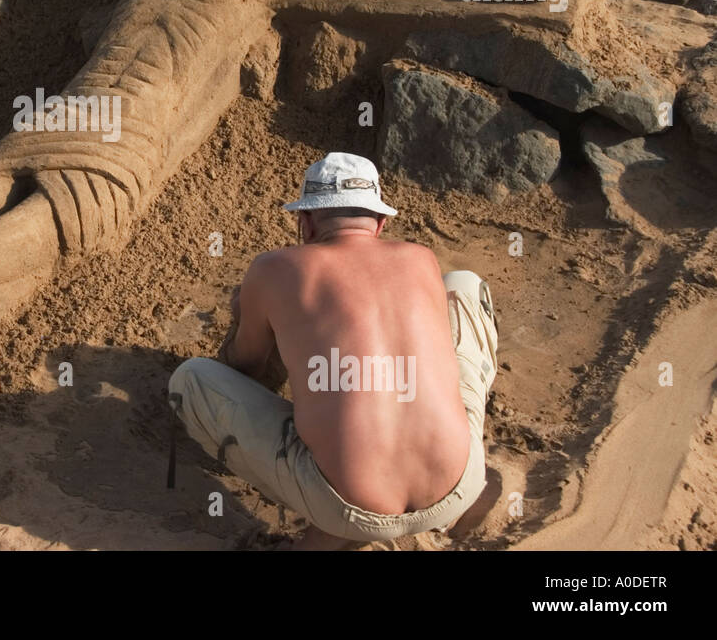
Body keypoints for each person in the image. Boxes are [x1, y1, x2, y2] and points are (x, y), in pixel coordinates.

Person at [168, 152, 498, 549]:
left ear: (305, 222)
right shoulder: (420, 257)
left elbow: (246, 366)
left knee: (192, 379)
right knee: (461, 284)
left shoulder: (272, 268)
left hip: (350, 508)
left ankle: (330, 530)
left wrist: (247, 319)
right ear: (381, 223)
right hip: (458, 486)